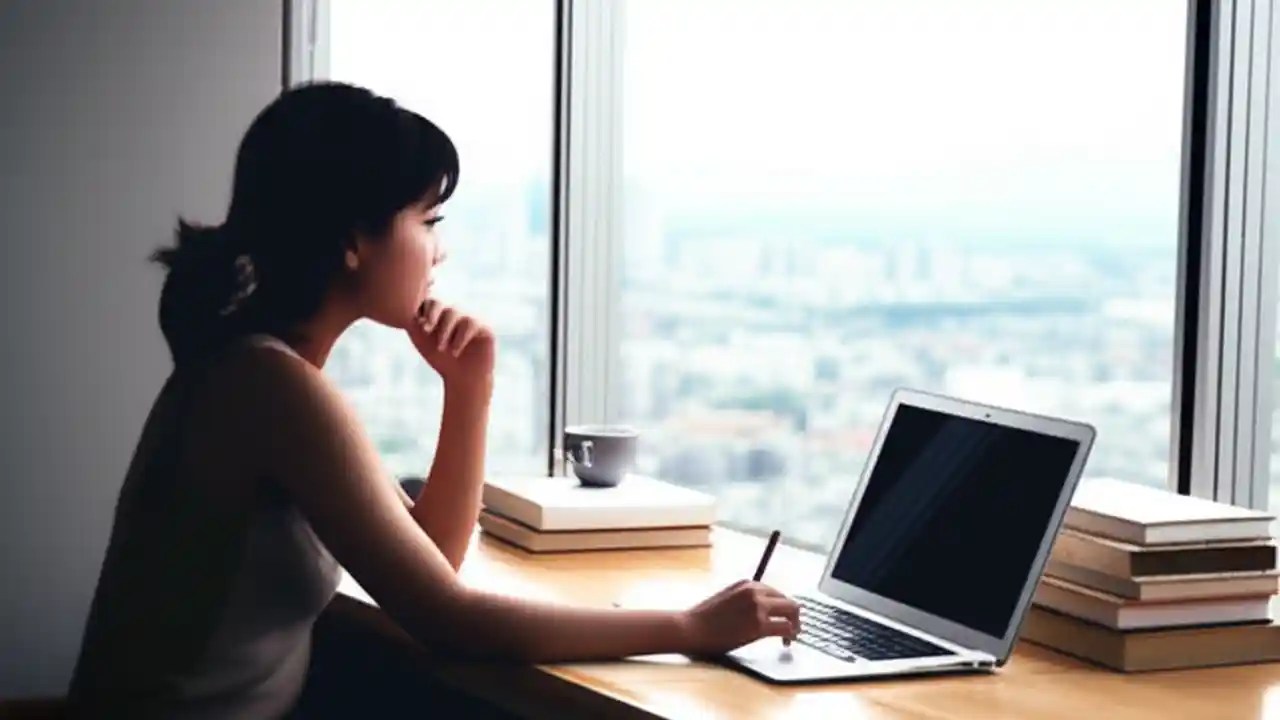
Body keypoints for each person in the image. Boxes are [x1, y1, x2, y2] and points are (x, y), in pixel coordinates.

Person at [68, 81, 800, 718]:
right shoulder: (272, 387)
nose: (439, 251)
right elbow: (448, 618)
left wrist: (468, 389)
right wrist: (689, 628)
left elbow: (431, 564)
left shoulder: (260, 372)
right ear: (354, 239)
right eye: (428, 222)